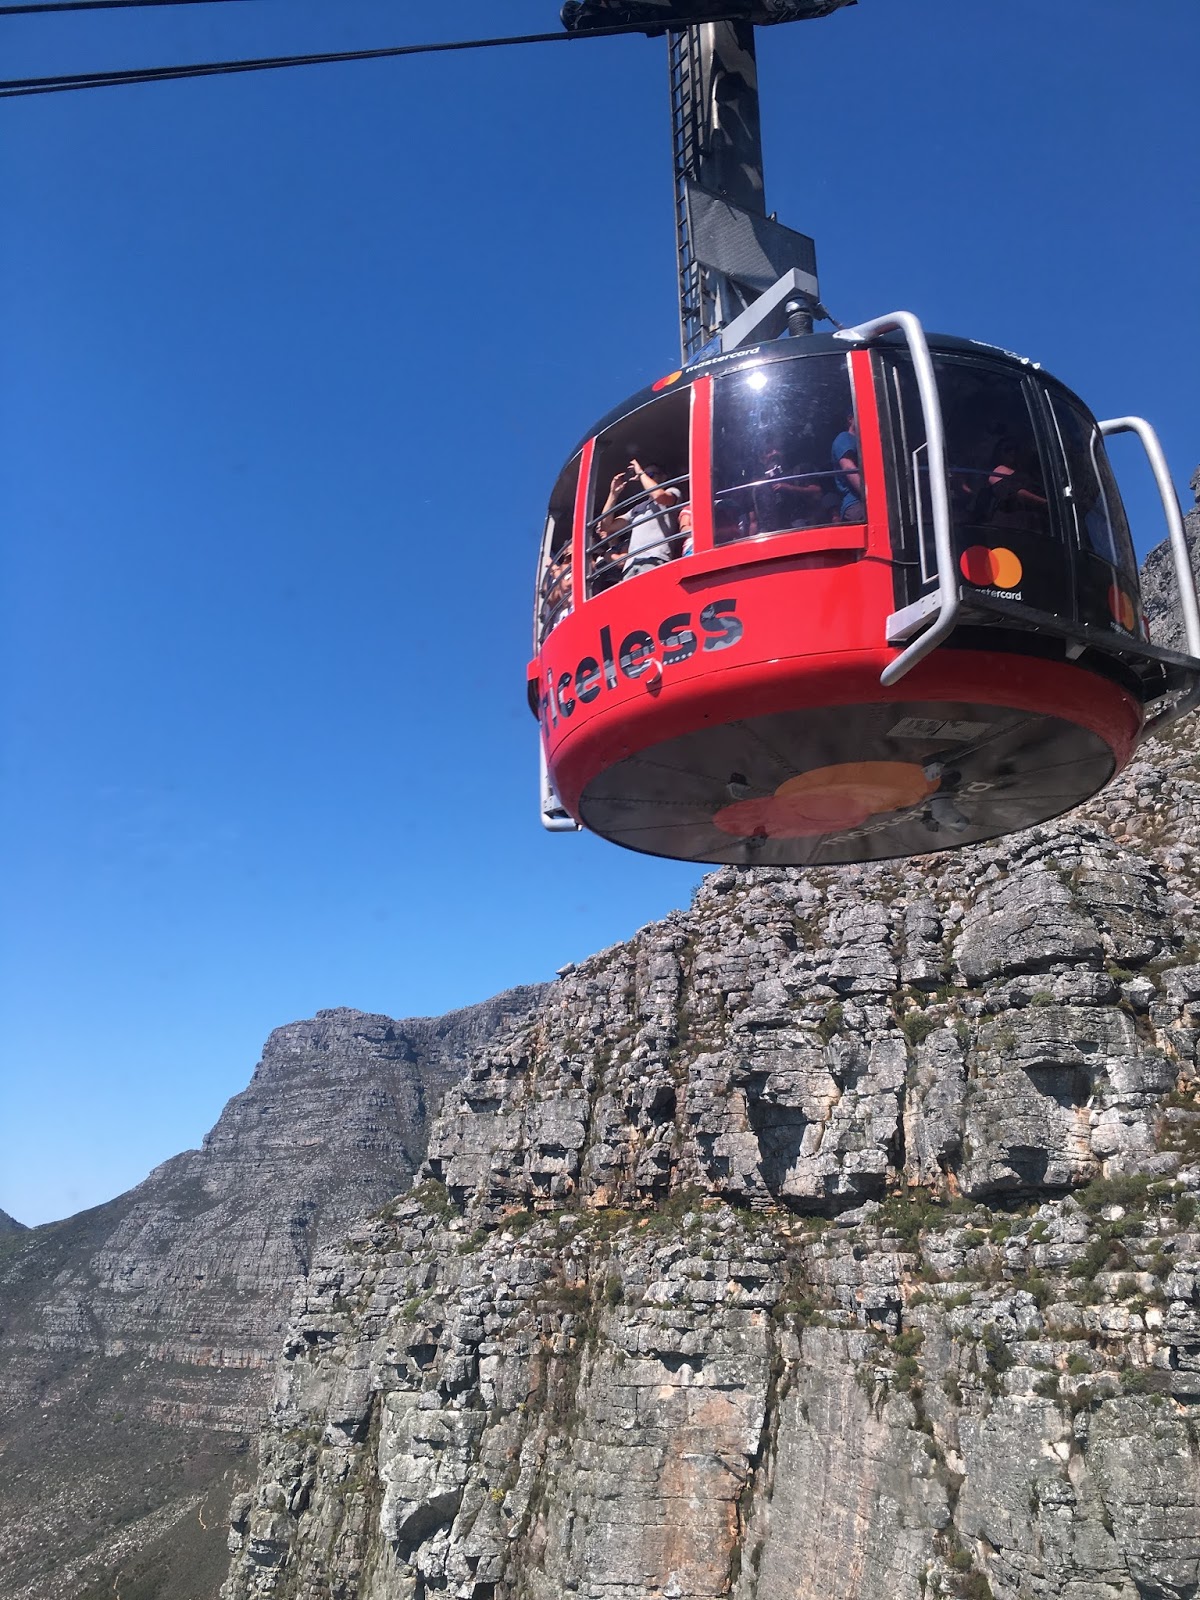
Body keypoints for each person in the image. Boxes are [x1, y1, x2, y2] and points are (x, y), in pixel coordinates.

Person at [597, 459, 682, 581]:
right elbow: (606, 526)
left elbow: (659, 496)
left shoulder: (672, 491)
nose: (646, 477)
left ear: (663, 477)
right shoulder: (637, 508)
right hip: (630, 565)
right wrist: (613, 494)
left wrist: (641, 473)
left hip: (654, 558)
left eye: (651, 474)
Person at [831, 414, 864, 522]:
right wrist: (871, 495)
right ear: (850, 419)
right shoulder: (844, 438)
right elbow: (848, 468)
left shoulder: (863, 441)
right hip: (856, 503)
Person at [539, 541, 573, 636]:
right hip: (559, 621)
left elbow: (566, 587)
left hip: (573, 613)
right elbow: (552, 600)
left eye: (571, 543)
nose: (567, 547)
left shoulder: (584, 562)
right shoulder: (561, 569)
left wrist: (554, 569)